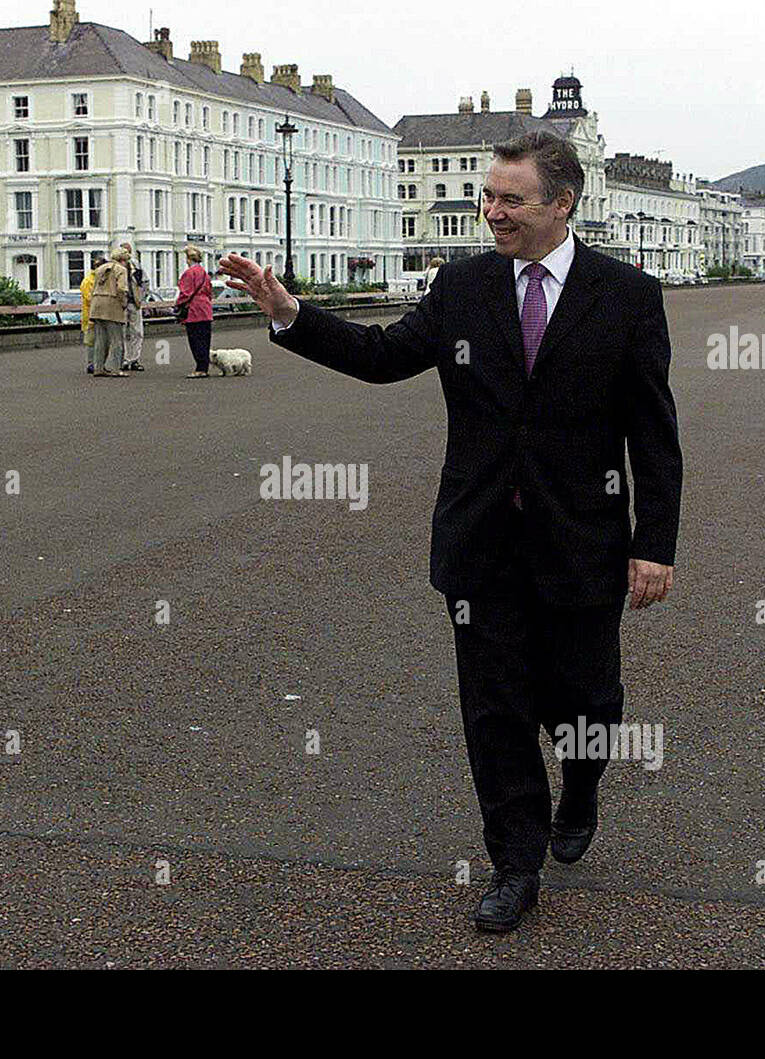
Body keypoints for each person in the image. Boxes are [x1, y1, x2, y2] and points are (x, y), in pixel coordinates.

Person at [219, 130, 683, 935]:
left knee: (589, 700)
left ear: (562, 205)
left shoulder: (628, 297)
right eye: (488, 196)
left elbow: (655, 435)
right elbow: (379, 355)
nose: (492, 212)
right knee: (494, 709)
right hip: (481, 544)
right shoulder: (462, 286)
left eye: (511, 199)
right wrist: (289, 312)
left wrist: (656, 542)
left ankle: (582, 784)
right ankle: (516, 862)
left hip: (584, 543)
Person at [81, 255, 128, 377]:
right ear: (122, 260)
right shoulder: (121, 270)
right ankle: (116, 369)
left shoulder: (100, 269)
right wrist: (123, 303)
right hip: (111, 305)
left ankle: (98, 368)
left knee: (100, 340)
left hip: (97, 306)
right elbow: (121, 288)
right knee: (116, 339)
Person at [176, 246, 214, 378]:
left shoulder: (189, 273)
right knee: (205, 339)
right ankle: (204, 367)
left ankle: (200, 368)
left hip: (194, 309)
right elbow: (209, 291)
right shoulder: (204, 272)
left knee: (195, 339)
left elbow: (186, 293)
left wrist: (178, 304)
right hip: (205, 308)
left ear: (188, 259)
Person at [119, 243, 147, 372]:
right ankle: (125, 359)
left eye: (128, 252)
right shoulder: (116, 267)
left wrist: (141, 297)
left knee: (137, 332)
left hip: (134, 303)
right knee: (123, 332)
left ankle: (135, 359)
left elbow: (145, 281)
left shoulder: (136, 265)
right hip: (121, 304)